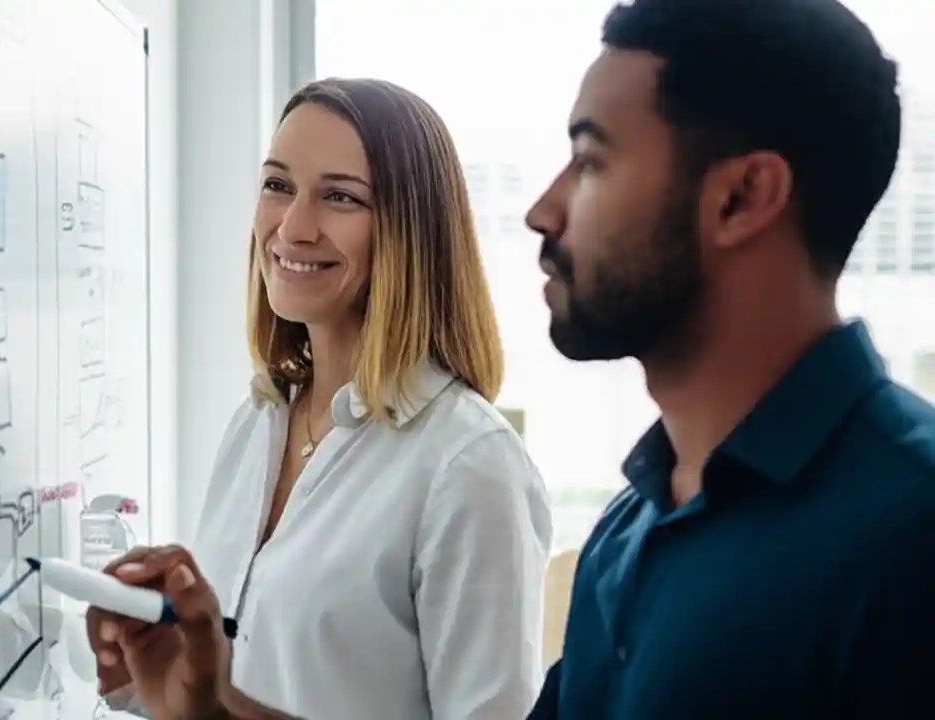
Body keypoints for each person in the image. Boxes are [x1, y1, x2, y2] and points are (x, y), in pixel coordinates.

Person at [91, 0, 935, 717]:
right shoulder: (634, 531)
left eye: (593, 160)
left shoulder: (909, 529)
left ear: (743, 197)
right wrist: (210, 706)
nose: (541, 210)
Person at [87, 78, 553, 719]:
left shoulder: (469, 465)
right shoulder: (258, 423)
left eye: (339, 197)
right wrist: (150, 676)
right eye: (278, 186)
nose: (293, 226)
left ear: (409, 231)